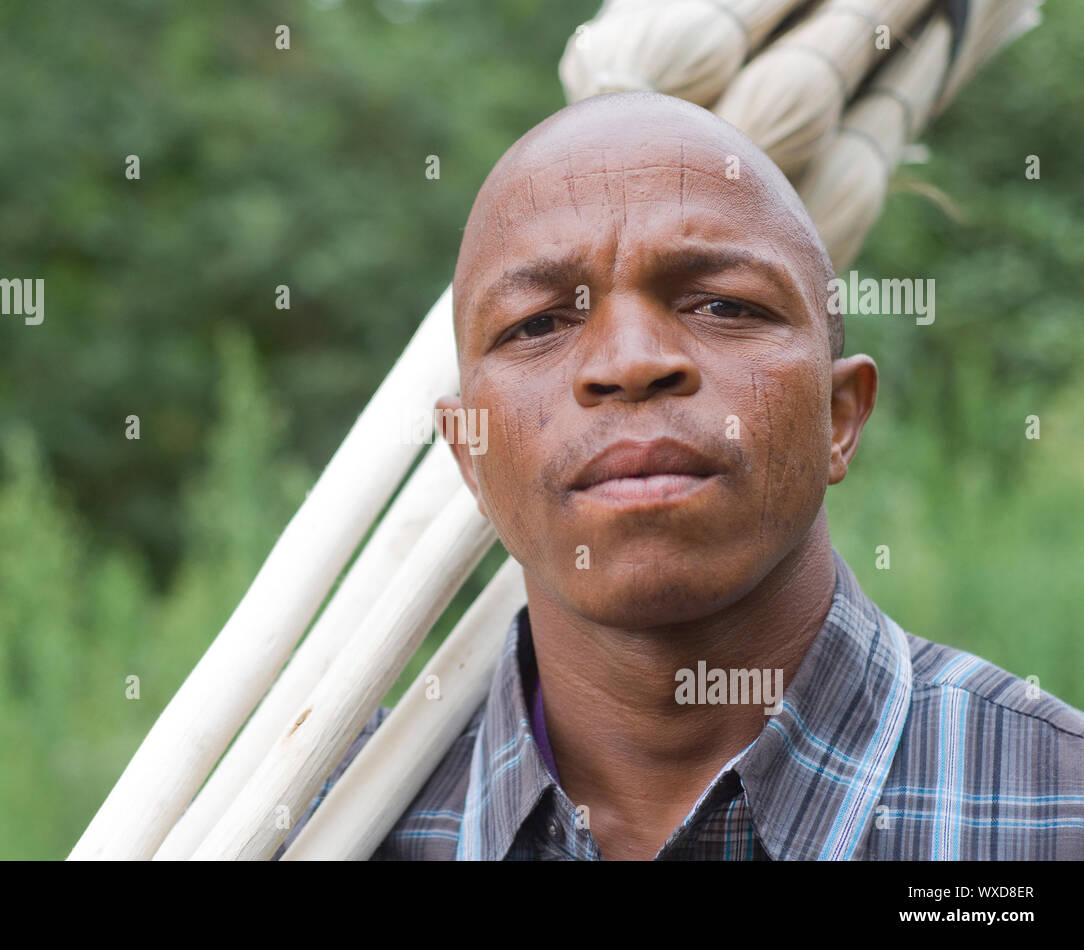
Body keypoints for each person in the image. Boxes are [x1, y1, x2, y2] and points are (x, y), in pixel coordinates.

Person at [277, 91, 1084, 861]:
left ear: (840, 417)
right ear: (470, 457)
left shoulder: (1056, 812)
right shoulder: (305, 830)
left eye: (721, 306)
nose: (629, 364)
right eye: (540, 323)